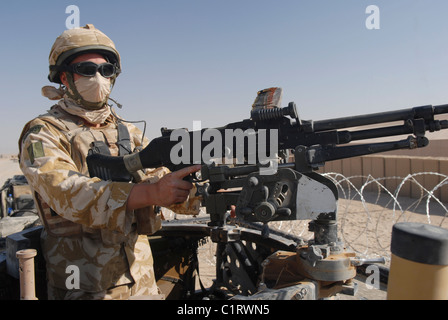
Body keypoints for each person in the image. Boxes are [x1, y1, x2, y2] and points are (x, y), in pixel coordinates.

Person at [18, 24, 201, 300]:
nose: (98, 78)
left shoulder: (129, 131)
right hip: (82, 286)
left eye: (106, 70)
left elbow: (166, 183)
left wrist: (210, 195)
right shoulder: (43, 132)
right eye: (87, 70)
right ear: (64, 77)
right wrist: (149, 193)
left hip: (141, 282)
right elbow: (65, 191)